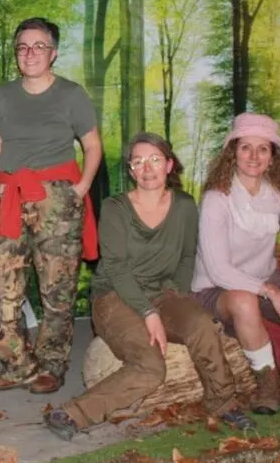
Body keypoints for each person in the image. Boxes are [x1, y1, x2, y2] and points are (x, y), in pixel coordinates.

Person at [43, 133, 255, 440]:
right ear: (131, 171)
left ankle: (223, 403)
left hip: (162, 293)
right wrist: (148, 312)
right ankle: (72, 414)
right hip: (113, 296)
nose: (147, 168)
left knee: (202, 325)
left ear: (169, 165)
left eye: (155, 159)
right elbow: (115, 267)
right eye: (138, 162)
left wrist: (177, 294)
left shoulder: (184, 206)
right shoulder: (115, 207)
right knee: (150, 367)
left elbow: (186, 254)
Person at [0, 17, 102, 395]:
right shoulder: (3, 95)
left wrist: (79, 189)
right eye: (22, 47)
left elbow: (92, 146)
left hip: (56, 200)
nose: (30, 53)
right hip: (8, 196)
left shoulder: (71, 95)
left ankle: (52, 364)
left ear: (54, 53)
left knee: (56, 288)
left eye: (39, 46)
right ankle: (18, 364)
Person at [192, 113, 280, 415]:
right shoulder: (217, 198)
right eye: (246, 147)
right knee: (246, 302)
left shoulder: (277, 192)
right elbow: (219, 270)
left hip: (265, 275)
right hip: (218, 287)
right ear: (233, 152)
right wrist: (270, 292)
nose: (254, 156)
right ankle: (268, 385)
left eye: (263, 148)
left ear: (273, 157)